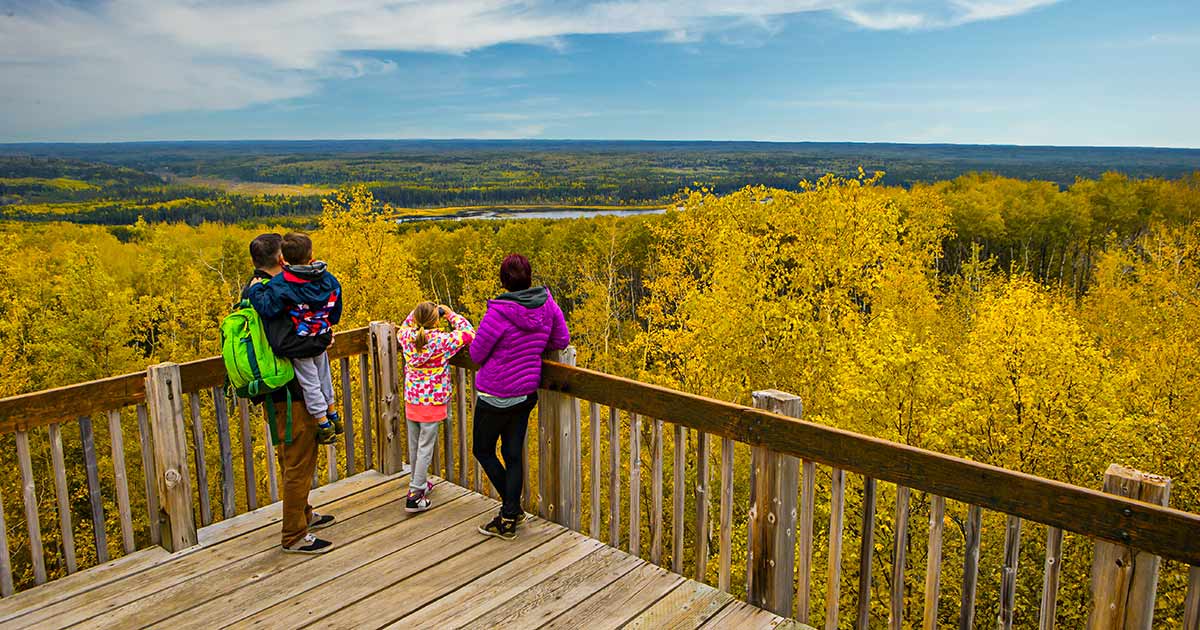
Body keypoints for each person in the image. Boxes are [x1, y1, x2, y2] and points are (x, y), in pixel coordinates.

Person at [244, 233, 335, 555]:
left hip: (286, 392)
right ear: (282, 259)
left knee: (295, 460)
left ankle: (304, 515)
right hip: (291, 394)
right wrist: (323, 340)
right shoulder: (270, 295)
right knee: (298, 464)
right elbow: (285, 343)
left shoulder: (262, 290)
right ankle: (294, 535)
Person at [470, 253, 570, 540]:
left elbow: (477, 353)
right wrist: (535, 345)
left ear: (504, 280)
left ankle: (510, 511)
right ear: (529, 277)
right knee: (512, 455)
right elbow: (561, 340)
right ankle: (511, 512)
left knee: (483, 450)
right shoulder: (547, 304)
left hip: (495, 395)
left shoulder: (498, 311)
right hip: (525, 393)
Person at [246, 232, 344, 445]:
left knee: (310, 383)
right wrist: (325, 326)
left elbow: (267, 308)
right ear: (312, 256)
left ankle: (323, 424)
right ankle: (333, 413)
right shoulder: (328, 279)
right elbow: (335, 312)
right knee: (324, 377)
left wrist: (255, 291)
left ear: (283, 260)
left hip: (301, 340)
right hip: (321, 337)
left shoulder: (282, 284)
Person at [397, 301, 475, 512]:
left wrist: (417, 311)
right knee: (425, 447)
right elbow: (469, 333)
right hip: (433, 400)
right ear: (435, 320)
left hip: (412, 398)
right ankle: (415, 493)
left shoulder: (406, 337)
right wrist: (450, 314)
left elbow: (405, 325)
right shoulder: (442, 340)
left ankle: (418, 481)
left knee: (415, 445)